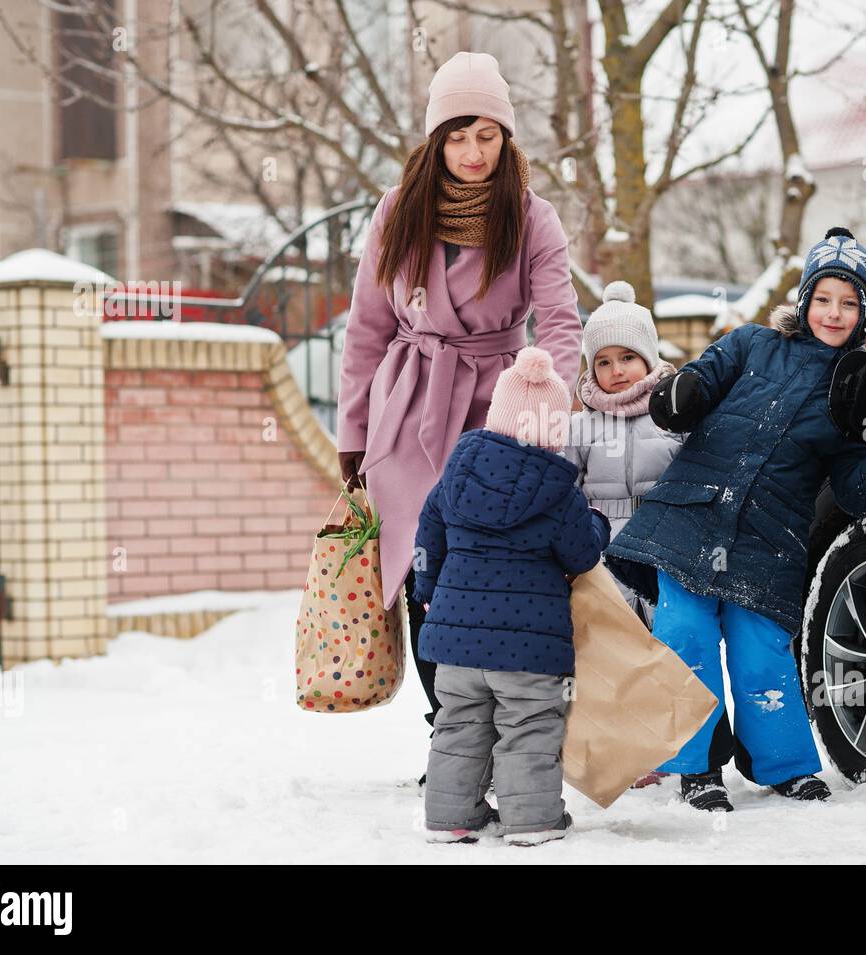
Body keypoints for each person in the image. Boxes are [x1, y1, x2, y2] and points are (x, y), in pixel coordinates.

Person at [605, 227, 866, 811]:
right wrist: (683, 391)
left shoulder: (852, 392)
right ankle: (693, 767)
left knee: (760, 650)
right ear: (804, 301)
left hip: (770, 541)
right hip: (690, 518)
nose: (833, 312)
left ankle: (785, 766)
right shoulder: (751, 344)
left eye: (849, 303)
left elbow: (857, 489)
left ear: (864, 313)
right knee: (685, 636)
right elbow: (699, 381)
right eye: (823, 298)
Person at [335, 52, 582, 739]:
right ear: (434, 139)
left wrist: (546, 416)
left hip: (497, 419)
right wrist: (352, 434)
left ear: (506, 138)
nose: (472, 152)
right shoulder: (397, 212)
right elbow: (366, 330)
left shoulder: (533, 217)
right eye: (456, 135)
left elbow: (561, 322)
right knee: (424, 574)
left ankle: (506, 736)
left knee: (490, 574)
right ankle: (451, 735)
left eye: (487, 135)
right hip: (409, 412)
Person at [413, 347, 611, 845]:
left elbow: (427, 539)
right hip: (529, 649)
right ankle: (533, 821)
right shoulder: (559, 492)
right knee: (529, 726)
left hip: (455, 646)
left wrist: (428, 591)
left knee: (458, 726)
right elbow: (582, 555)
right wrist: (597, 522)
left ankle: (449, 818)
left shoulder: (453, 477)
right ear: (555, 429)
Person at [560, 280, 683, 631]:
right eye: (603, 361)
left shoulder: (674, 416)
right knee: (613, 645)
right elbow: (564, 489)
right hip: (601, 554)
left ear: (647, 357)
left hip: (664, 546)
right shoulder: (581, 426)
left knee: (667, 643)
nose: (616, 370)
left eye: (627, 357)